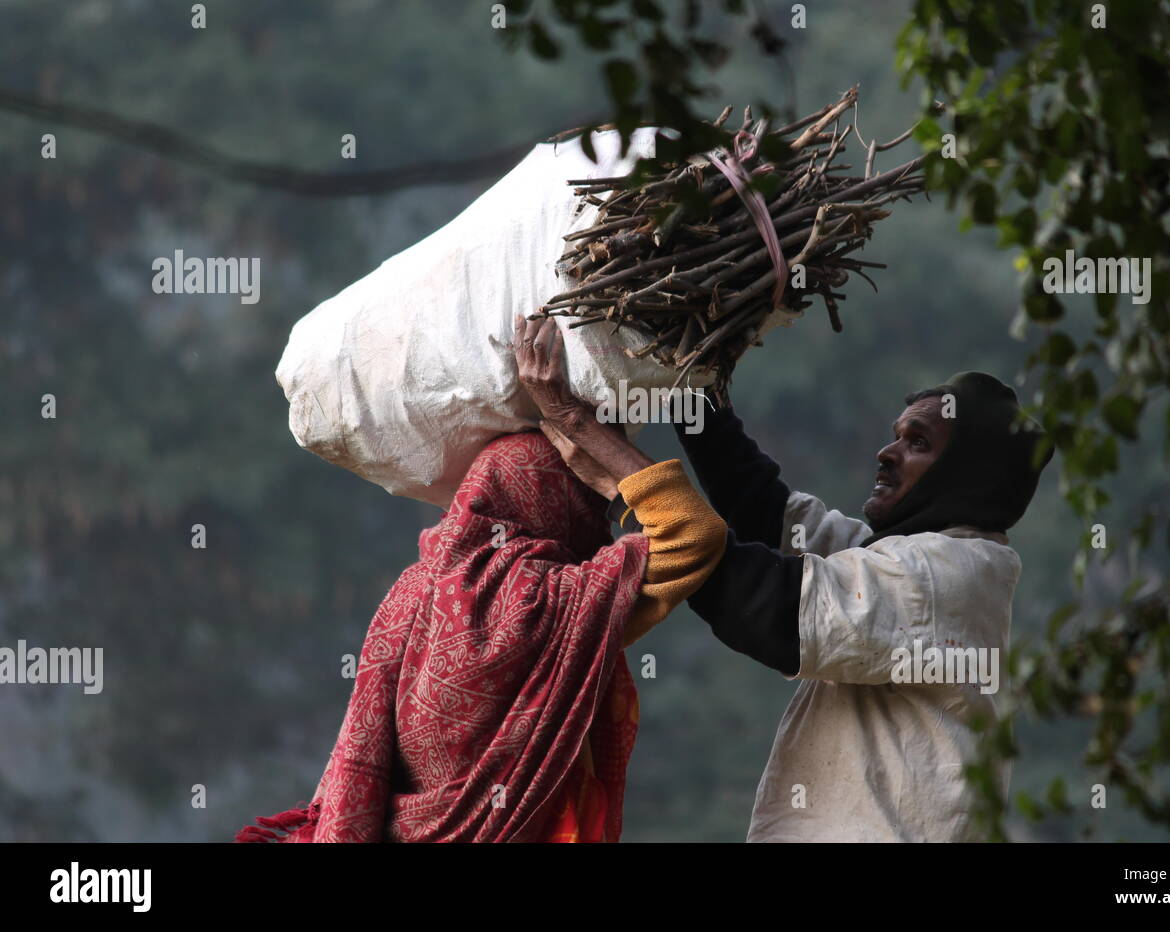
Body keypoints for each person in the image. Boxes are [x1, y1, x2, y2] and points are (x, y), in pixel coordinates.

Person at [234, 317, 725, 842]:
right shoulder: (553, 605)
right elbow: (693, 533)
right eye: (595, 513)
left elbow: (362, 756)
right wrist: (574, 424)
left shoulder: (410, 595)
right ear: (563, 516)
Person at [666, 370, 1054, 841]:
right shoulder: (910, 560)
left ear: (963, 476)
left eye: (918, 444)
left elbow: (771, 610)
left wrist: (627, 479)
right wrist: (691, 391)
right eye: (896, 438)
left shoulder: (938, 576)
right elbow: (767, 514)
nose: (886, 454)